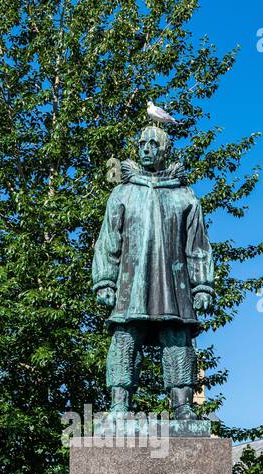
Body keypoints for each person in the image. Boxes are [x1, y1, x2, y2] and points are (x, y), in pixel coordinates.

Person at [91, 124, 215, 418]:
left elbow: (197, 245)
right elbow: (109, 240)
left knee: (177, 338)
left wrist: (202, 286)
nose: (146, 148)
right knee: (125, 337)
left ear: (165, 150)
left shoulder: (185, 197)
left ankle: (183, 404)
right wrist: (105, 281)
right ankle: (119, 403)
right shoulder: (122, 193)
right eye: (142, 143)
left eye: (153, 144)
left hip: (173, 284)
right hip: (131, 283)